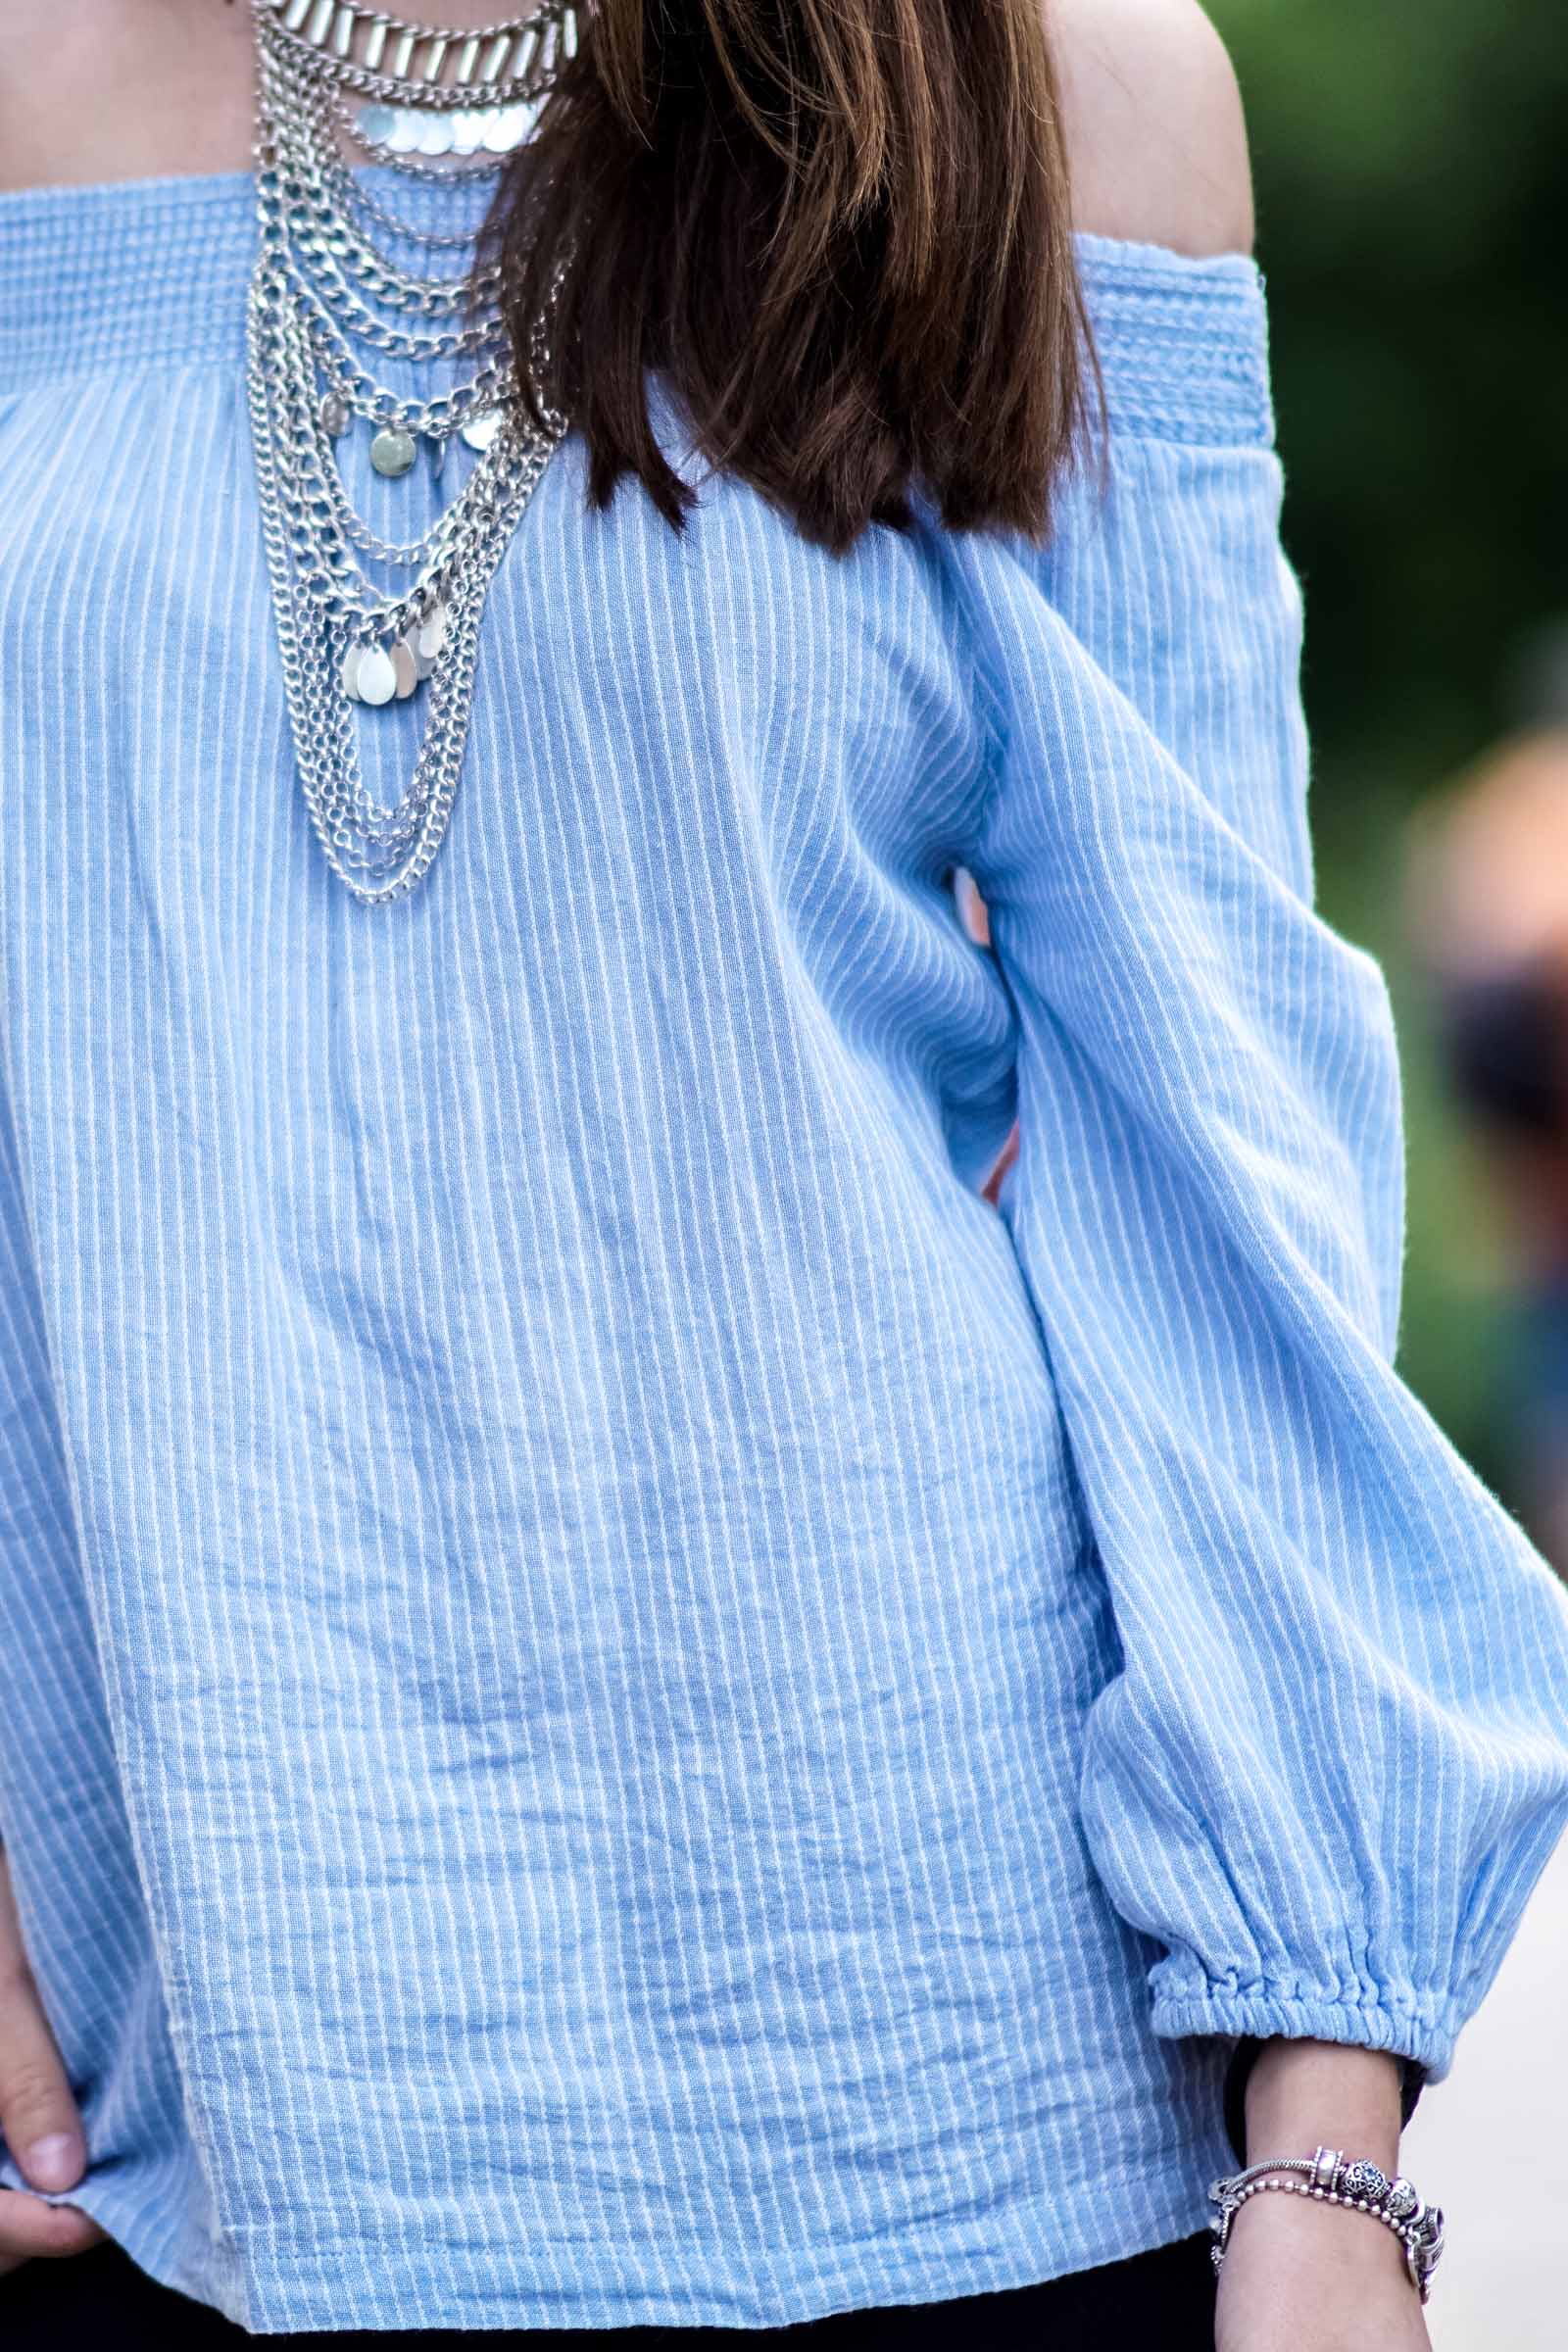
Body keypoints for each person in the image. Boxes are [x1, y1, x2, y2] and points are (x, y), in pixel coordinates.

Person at [1, 3, 1566, 2348]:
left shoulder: (1040, 91)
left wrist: (1324, 2168)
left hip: (956, 2152)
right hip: (178, 2155)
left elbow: (1215, 1187)